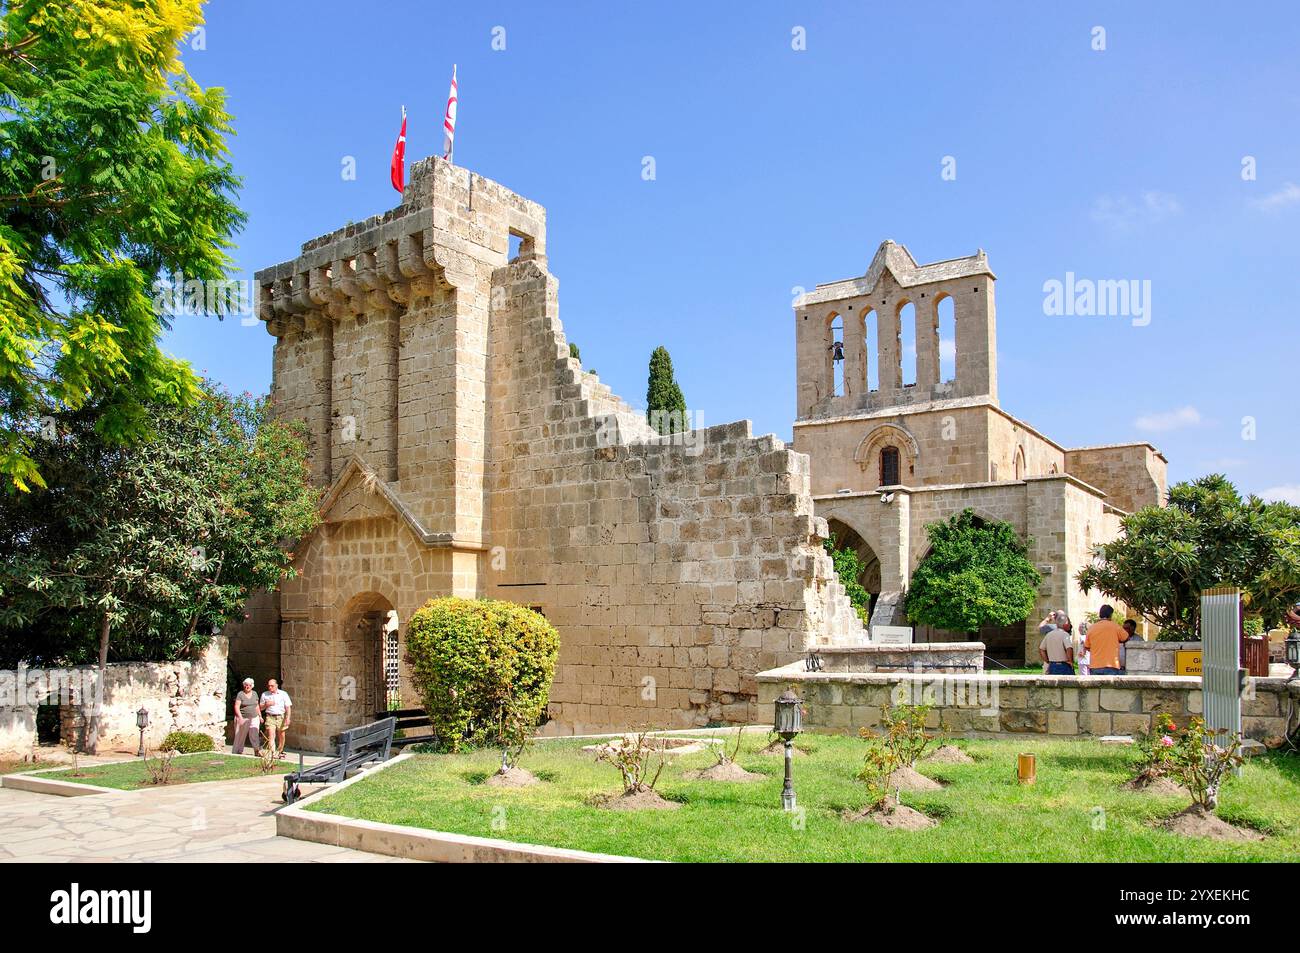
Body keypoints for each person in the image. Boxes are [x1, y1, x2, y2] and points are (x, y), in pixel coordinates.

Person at [1085, 604, 1129, 675]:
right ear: (1110, 615)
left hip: (1095, 665)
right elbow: (1126, 638)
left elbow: (1087, 646)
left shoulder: (1091, 628)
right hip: (1111, 665)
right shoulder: (1115, 626)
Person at [260, 678, 292, 758]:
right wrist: (266, 705)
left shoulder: (283, 694)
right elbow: (260, 708)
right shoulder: (265, 694)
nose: (270, 687)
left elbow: (288, 707)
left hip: (281, 716)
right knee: (271, 735)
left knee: (282, 735)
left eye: (272, 686)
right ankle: (273, 753)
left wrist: (288, 718)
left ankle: (280, 751)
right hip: (270, 716)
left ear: (277, 685)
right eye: (269, 686)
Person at [232, 677, 261, 755]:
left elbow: (257, 706)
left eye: (249, 685)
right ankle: (237, 751)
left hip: (254, 717)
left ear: (252, 686)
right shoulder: (240, 694)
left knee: (254, 734)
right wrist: (240, 717)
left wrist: (260, 716)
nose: (247, 686)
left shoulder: (255, 693)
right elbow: (236, 706)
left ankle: (257, 750)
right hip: (243, 717)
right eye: (245, 685)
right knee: (240, 735)